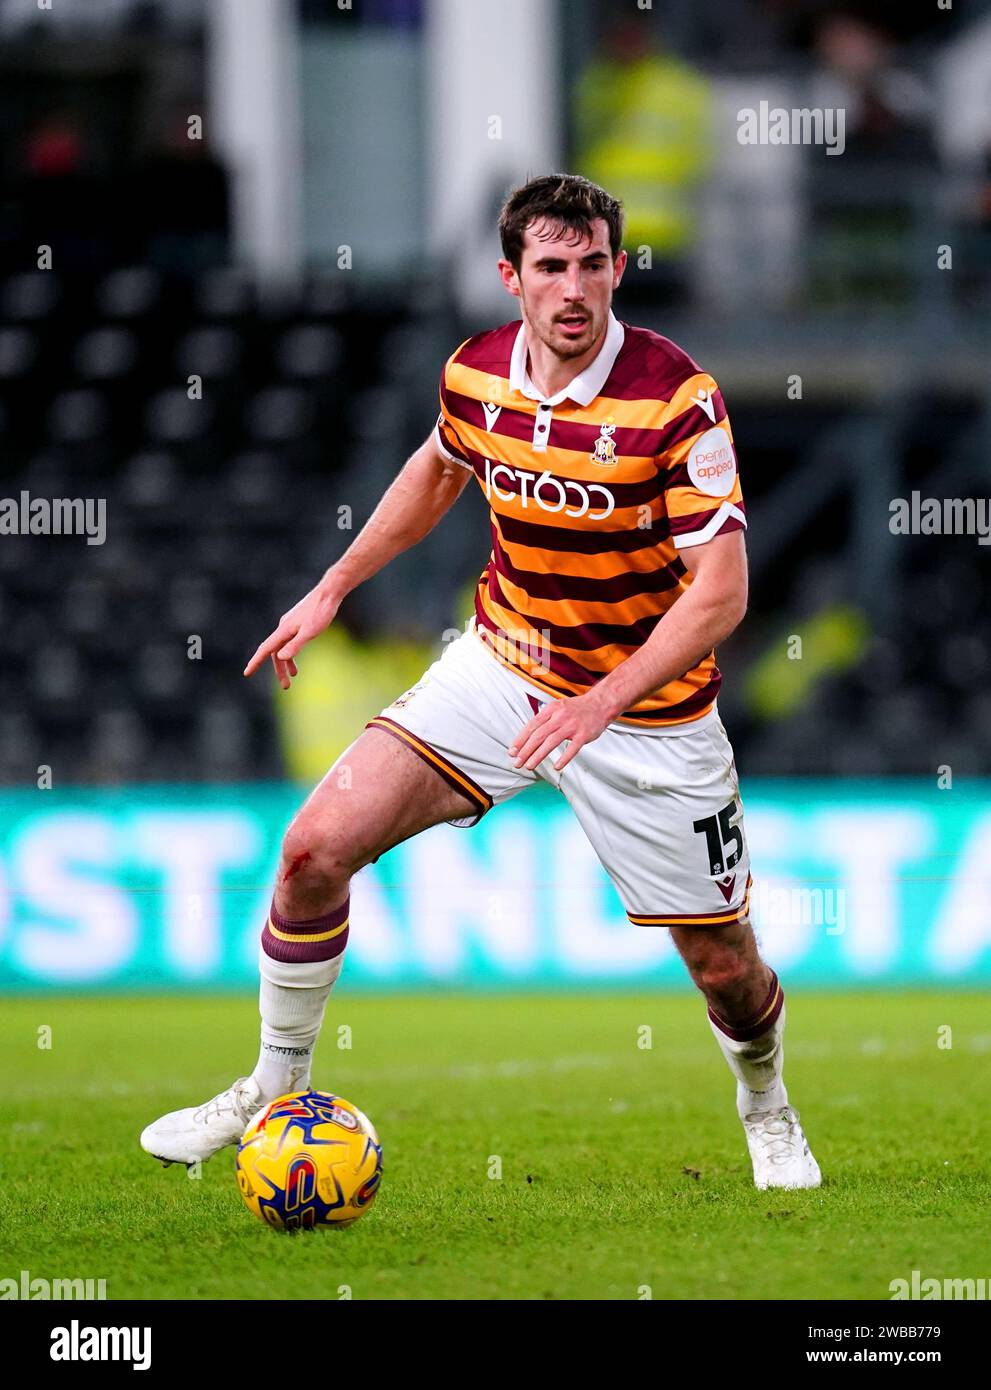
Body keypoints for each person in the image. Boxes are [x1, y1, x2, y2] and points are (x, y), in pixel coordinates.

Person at [140, 174, 820, 1191]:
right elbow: (436, 467)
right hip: (501, 666)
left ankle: (766, 1105)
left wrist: (600, 701)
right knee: (311, 851)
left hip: (648, 720)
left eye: (593, 263)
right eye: (550, 266)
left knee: (725, 965)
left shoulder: (678, 399)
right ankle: (272, 1092)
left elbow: (720, 594)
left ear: (618, 269)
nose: (573, 287)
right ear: (510, 277)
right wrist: (332, 586)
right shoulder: (475, 372)